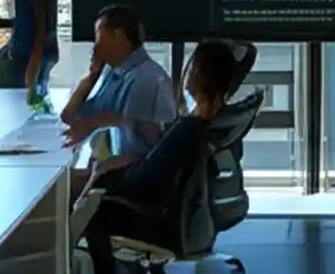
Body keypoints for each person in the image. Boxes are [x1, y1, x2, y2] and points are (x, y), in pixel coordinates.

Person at [78, 38, 237, 274]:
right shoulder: (215, 125)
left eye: (192, 68)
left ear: (199, 75)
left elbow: (142, 183)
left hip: (160, 222)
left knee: (94, 213)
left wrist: (106, 177)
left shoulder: (188, 128)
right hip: (181, 218)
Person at [60, 5, 176, 159]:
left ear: (118, 36)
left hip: (137, 175)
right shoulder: (113, 72)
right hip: (117, 167)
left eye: (98, 36)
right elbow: (70, 117)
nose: (95, 45)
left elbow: (144, 145)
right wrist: (92, 76)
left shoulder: (149, 79)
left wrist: (96, 122)